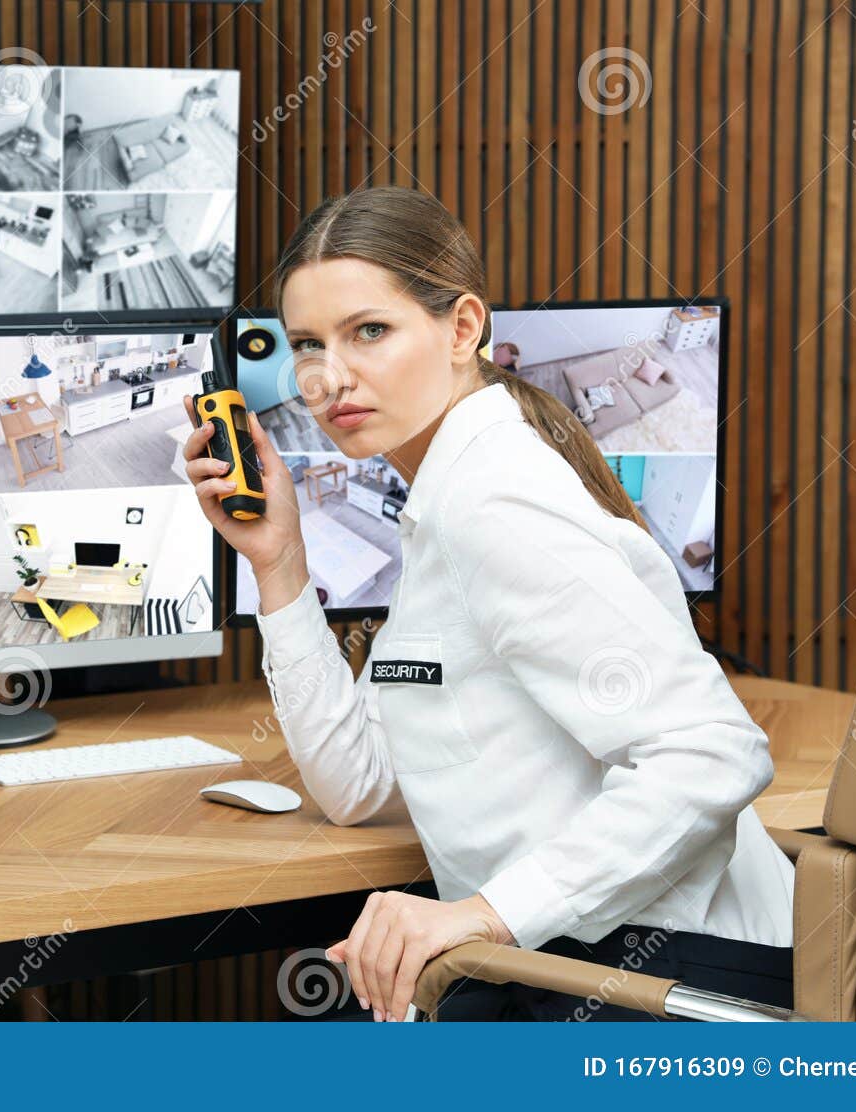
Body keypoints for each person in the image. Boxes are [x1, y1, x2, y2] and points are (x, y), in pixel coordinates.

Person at [182, 187, 794, 1022]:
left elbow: (713, 754)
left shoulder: (494, 505)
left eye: (370, 331)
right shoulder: (445, 500)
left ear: (463, 328)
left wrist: (483, 915)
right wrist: (280, 561)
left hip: (669, 982)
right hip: (578, 962)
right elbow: (360, 785)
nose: (329, 377)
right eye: (307, 346)